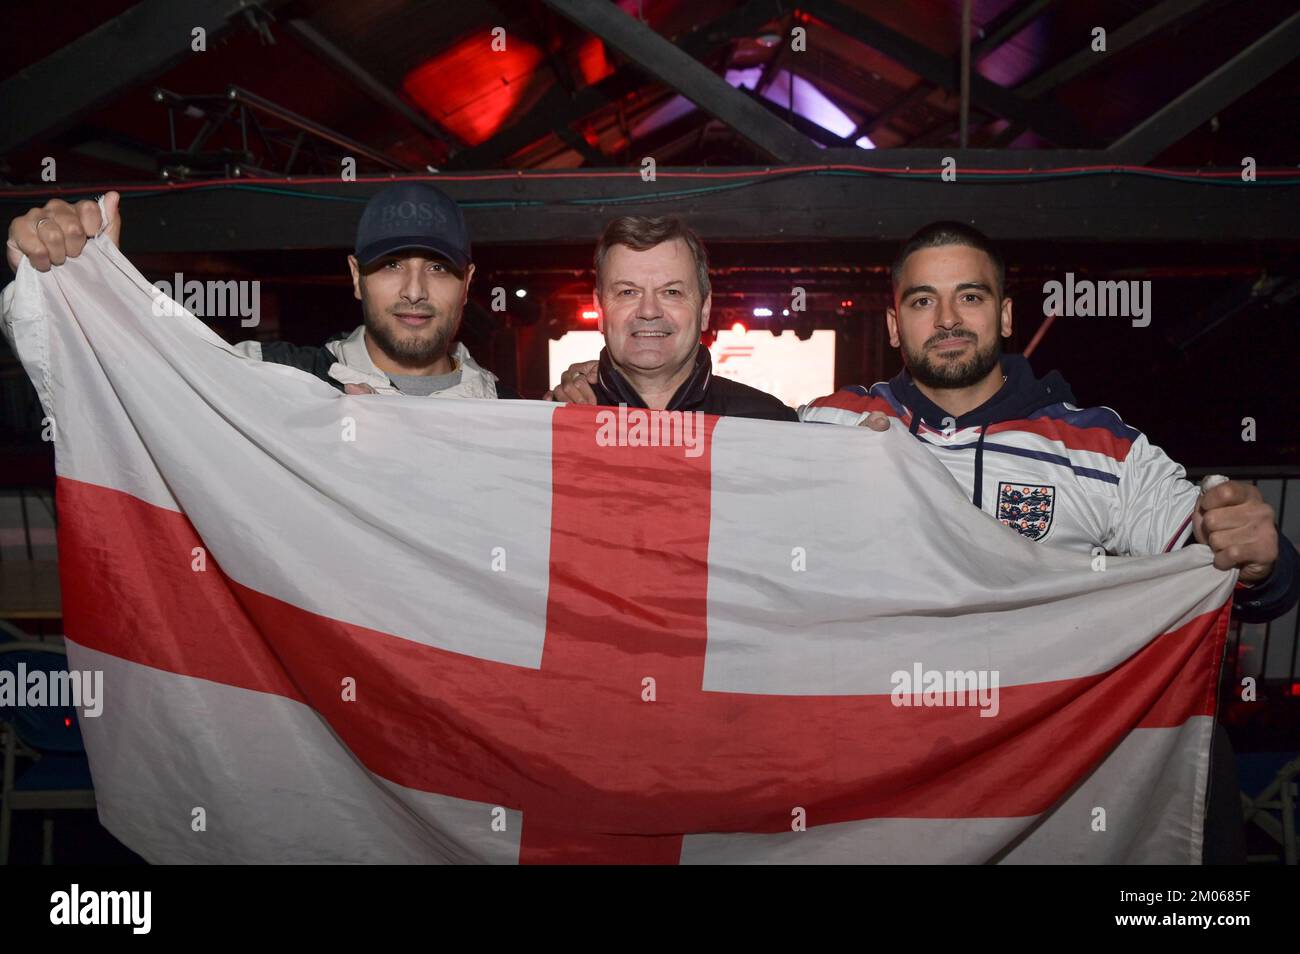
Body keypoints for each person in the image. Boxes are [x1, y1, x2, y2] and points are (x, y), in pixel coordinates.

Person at [799, 221, 1299, 864]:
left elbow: (1213, 544)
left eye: (970, 297)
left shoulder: (1098, 447)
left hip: (1047, 764)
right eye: (923, 301)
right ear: (895, 326)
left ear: (1005, 315)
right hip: (881, 756)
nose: (947, 318)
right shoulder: (831, 425)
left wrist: (1259, 555)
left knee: (1209, 767)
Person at [4, 182, 517, 399]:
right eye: (391, 265)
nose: (413, 291)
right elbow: (120, 389)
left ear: (468, 283)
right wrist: (75, 292)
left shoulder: (511, 421)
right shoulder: (274, 380)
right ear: (357, 277)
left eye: (438, 269)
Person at [549, 215, 795, 422]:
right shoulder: (551, 422)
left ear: (705, 309)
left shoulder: (769, 422)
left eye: (671, 292)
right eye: (628, 292)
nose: (648, 310)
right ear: (600, 310)